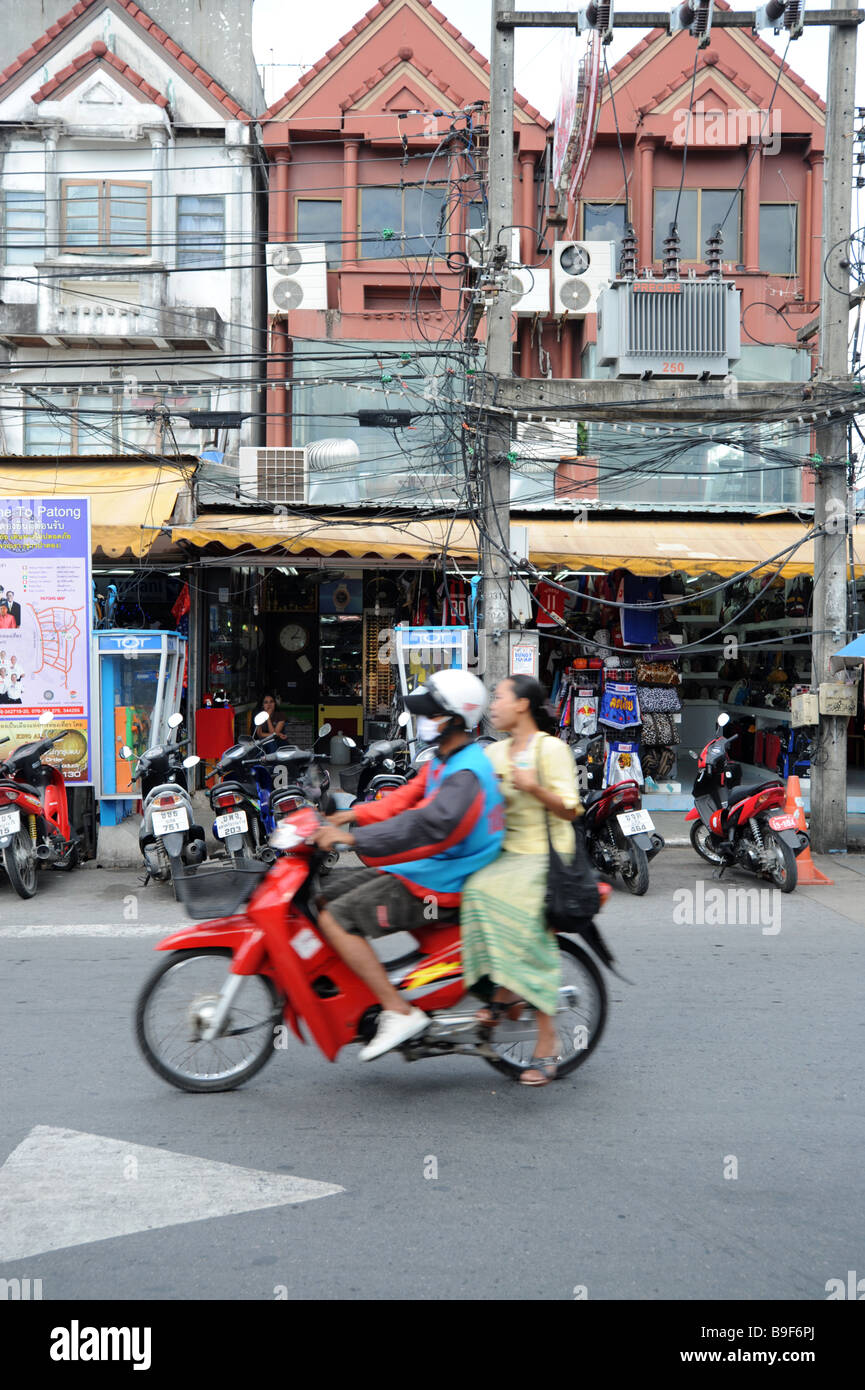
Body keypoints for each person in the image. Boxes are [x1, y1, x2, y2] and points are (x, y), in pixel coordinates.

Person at [312, 668, 504, 1062]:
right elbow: (404, 798)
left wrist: (352, 839)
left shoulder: (465, 773)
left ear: (454, 720)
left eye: (429, 714)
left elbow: (423, 826)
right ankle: (358, 987)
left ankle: (398, 1011)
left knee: (335, 917)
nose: (422, 720)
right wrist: (350, 814)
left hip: (443, 880)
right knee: (323, 898)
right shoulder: (444, 760)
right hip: (427, 867)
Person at [459, 675, 583, 1086]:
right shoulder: (494, 752)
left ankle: (547, 1042)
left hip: (546, 853)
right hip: (509, 852)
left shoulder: (552, 749)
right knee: (474, 889)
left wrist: (533, 788)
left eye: (499, 697)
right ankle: (500, 991)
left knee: (515, 906)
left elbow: (570, 809)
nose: (492, 704)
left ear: (523, 705)